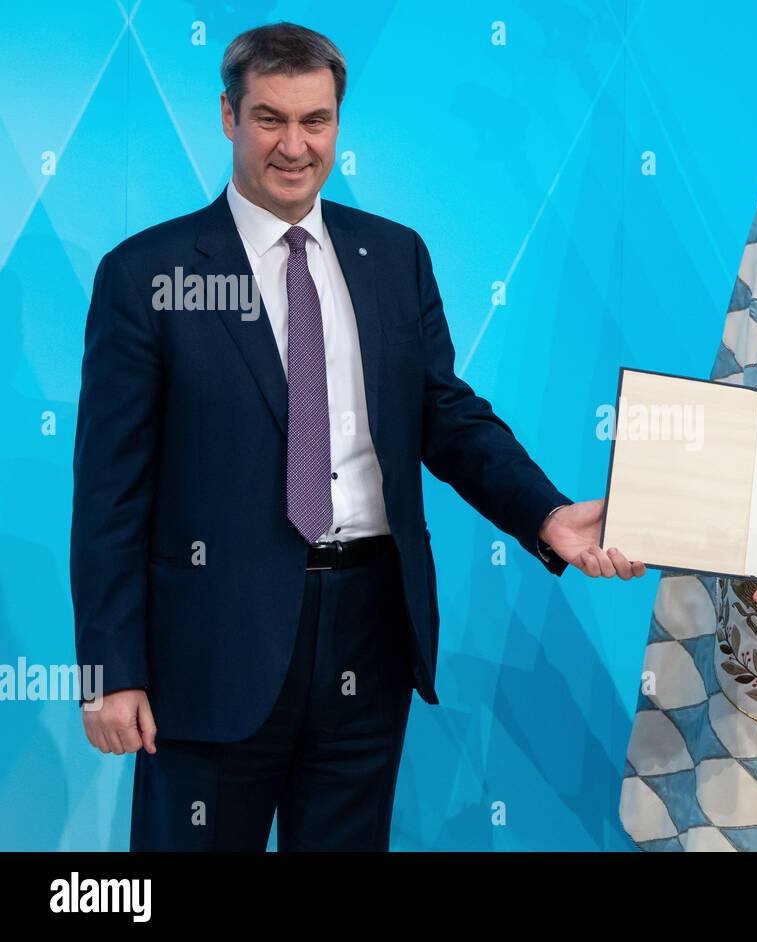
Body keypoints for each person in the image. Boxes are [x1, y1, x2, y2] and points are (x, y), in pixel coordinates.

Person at [70, 22, 644, 852]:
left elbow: (446, 416)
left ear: (338, 122)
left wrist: (547, 516)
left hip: (371, 631)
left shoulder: (393, 256)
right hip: (211, 648)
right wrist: (109, 671)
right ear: (226, 116)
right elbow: (108, 496)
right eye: (270, 118)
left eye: (316, 121)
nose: (294, 146)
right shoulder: (147, 274)